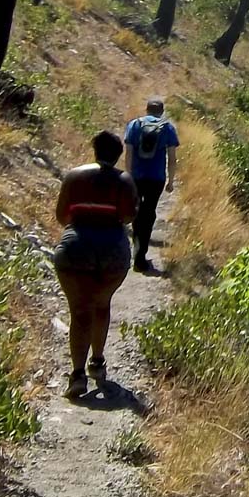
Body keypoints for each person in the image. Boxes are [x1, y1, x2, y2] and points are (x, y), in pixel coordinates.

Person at [52, 130, 138, 398]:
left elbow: (62, 216)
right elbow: (128, 216)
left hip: (74, 249)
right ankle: (97, 363)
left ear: (95, 150)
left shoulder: (73, 176)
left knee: (79, 311)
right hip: (112, 252)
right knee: (101, 305)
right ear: (118, 154)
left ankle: (77, 375)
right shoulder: (124, 180)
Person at [124, 97, 179, 272]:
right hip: (156, 178)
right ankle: (141, 256)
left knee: (137, 212)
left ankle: (136, 249)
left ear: (146, 110)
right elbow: (172, 158)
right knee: (149, 213)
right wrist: (171, 181)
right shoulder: (168, 128)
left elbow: (128, 153)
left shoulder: (134, 125)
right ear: (162, 112)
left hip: (136, 176)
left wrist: (128, 175)